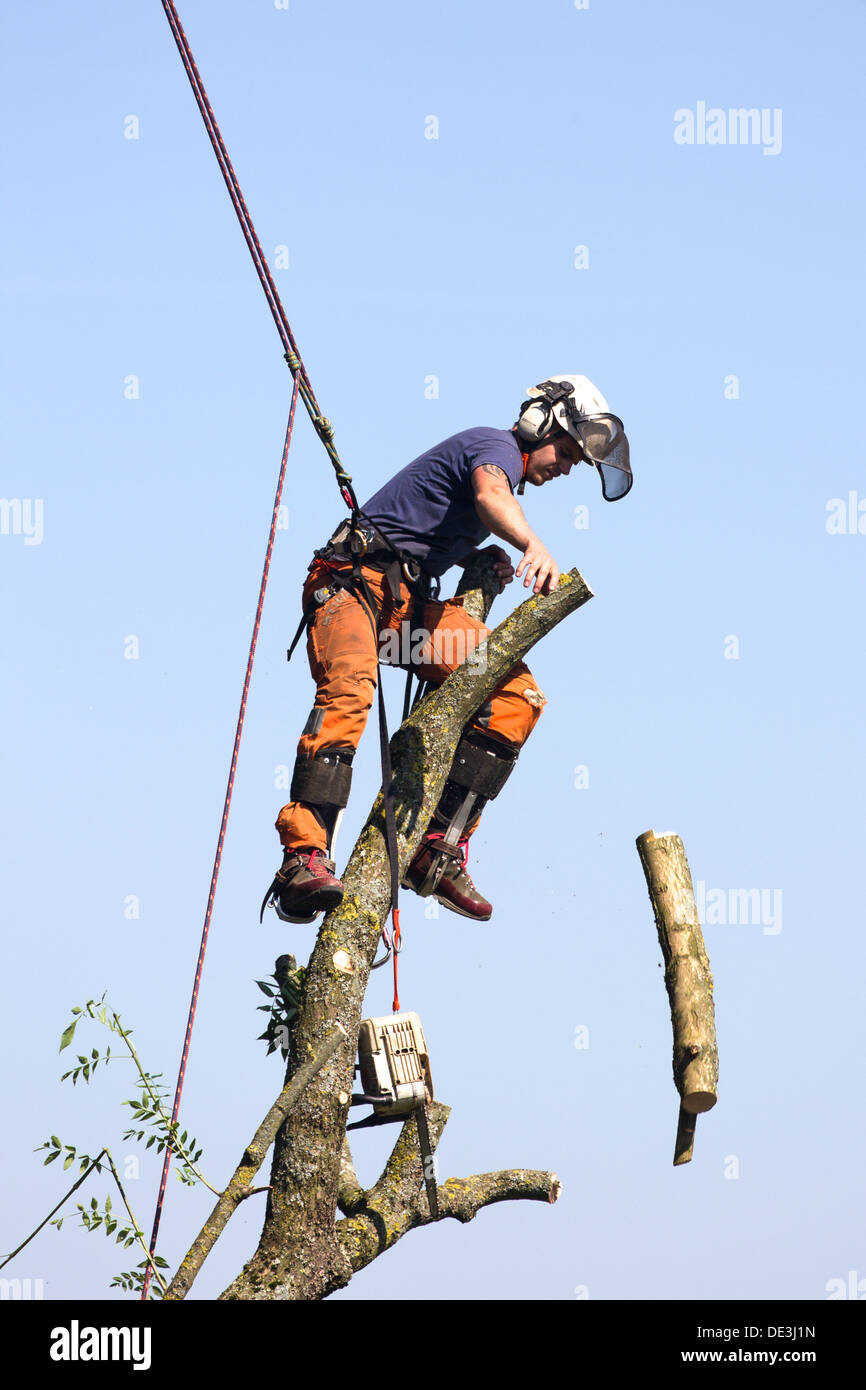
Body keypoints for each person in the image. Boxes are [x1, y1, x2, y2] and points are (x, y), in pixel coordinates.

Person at [260, 374, 632, 925]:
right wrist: (529, 544)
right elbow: (489, 494)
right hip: (350, 590)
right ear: (540, 426)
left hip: (401, 615)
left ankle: (436, 847)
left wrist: (479, 560)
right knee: (350, 691)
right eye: (568, 452)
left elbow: (437, 521)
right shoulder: (494, 447)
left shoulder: (497, 468)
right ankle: (302, 858)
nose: (567, 467)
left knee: (516, 695)